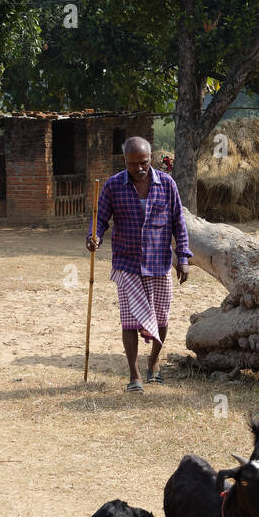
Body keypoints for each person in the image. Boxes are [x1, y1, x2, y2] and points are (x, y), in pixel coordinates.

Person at [86, 137, 191, 393]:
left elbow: (179, 222)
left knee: (162, 318)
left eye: (144, 162)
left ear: (151, 157)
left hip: (159, 262)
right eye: (134, 164)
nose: (140, 168)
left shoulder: (167, 184)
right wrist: (94, 236)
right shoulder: (112, 186)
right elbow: (99, 219)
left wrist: (184, 257)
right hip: (127, 263)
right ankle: (134, 375)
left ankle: (154, 360)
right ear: (125, 161)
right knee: (129, 321)